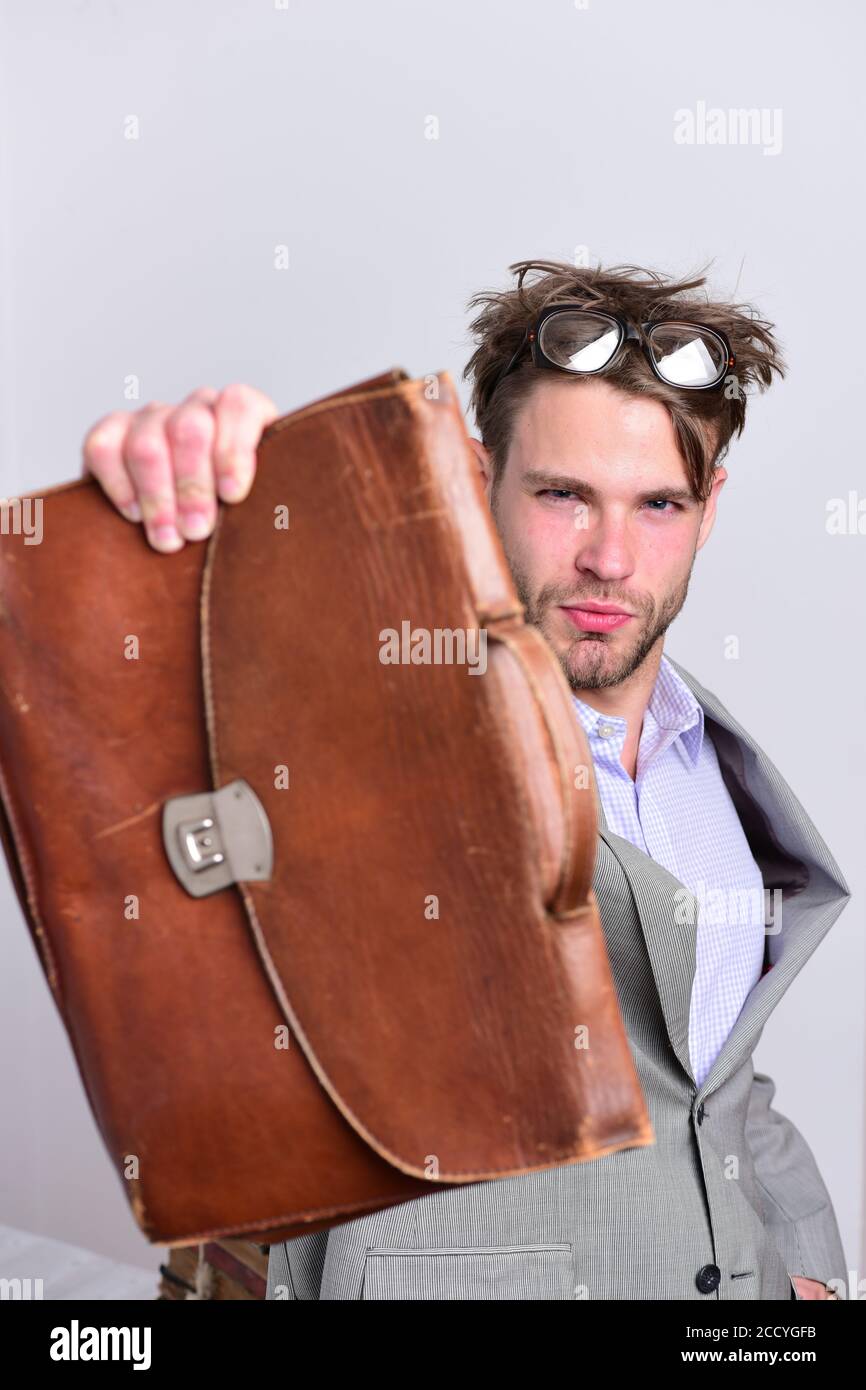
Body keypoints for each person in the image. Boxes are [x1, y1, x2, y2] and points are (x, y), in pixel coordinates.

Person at [81, 259, 850, 1301]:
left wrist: (800, 1276)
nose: (609, 557)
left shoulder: (714, 763)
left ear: (708, 506)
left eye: (657, 503)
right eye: (563, 495)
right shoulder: (377, 732)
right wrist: (177, 537)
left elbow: (716, 1087)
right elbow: (176, 813)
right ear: (479, 477)